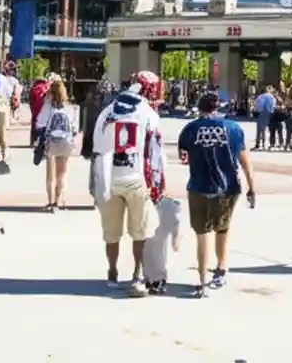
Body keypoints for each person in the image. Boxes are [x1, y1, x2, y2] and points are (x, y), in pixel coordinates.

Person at [90, 71, 165, 297]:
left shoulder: (107, 111)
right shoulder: (148, 113)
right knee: (139, 231)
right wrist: (158, 183)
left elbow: (97, 149)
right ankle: (137, 274)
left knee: (111, 232)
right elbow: (155, 153)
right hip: (137, 178)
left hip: (109, 177)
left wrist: (96, 183)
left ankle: (112, 273)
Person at [177, 91, 257, 298]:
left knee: (201, 233)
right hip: (227, 186)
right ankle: (221, 268)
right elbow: (245, 162)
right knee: (222, 229)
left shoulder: (189, 129)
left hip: (198, 186)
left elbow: (184, 157)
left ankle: (202, 279)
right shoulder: (233, 129)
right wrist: (251, 187)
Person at [38, 78, 78, 211]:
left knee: (50, 173)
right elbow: (75, 128)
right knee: (62, 173)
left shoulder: (48, 107)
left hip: (52, 142)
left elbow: (40, 123)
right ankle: (58, 200)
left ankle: (50, 201)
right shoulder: (70, 108)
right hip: (66, 142)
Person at [251, 85, 277, 151]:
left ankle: (259, 144)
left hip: (262, 113)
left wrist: (257, 110)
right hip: (269, 114)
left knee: (260, 129)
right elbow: (273, 106)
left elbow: (257, 106)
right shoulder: (272, 97)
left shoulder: (261, 97)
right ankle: (265, 144)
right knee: (267, 129)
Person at [28, 76, 51, 148]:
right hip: (45, 111)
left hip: (36, 111)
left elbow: (31, 101)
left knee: (34, 126)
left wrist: (32, 111)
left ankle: (32, 142)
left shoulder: (33, 88)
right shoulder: (47, 87)